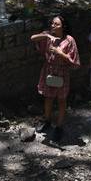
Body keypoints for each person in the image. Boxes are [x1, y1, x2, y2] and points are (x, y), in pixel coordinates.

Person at [30, 15, 80, 143]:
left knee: (61, 100)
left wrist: (60, 53)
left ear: (63, 26)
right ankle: (47, 120)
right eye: (52, 23)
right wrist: (47, 36)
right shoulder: (47, 35)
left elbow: (74, 62)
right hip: (49, 70)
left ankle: (59, 126)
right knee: (48, 97)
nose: (53, 26)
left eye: (56, 24)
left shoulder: (69, 40)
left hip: (62, 73)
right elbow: (33, 38)